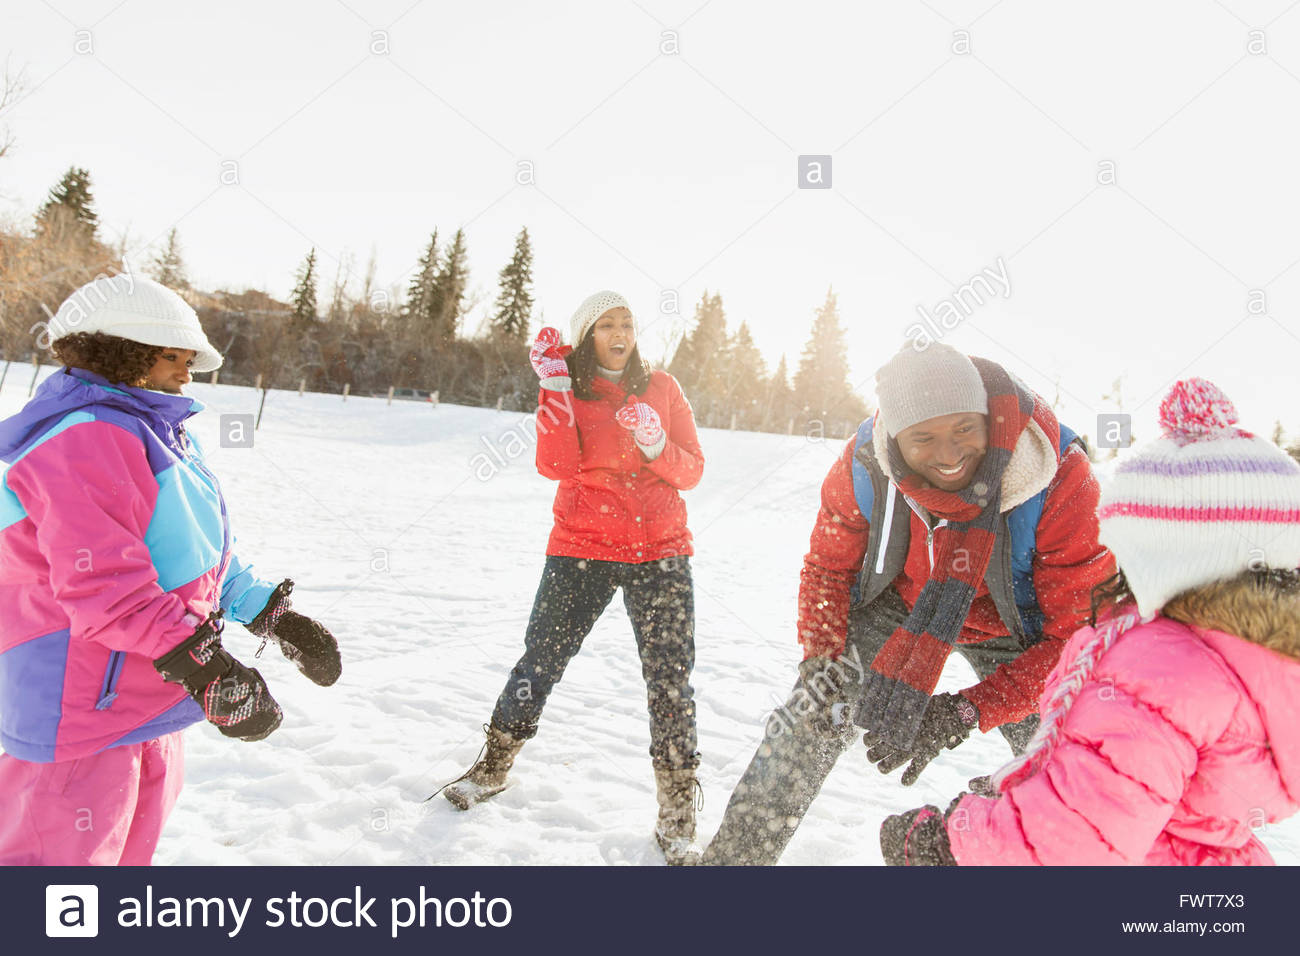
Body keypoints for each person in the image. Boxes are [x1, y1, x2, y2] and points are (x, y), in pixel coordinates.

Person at [703, 342, 1114, 865]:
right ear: (896, 440)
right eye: (924, 438)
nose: (949, 454)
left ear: (989, 418)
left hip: (1016, 630)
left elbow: (1078, 640)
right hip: (905, 606)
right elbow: (829, 568)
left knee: (1076, 757)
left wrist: (966, 710)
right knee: (812, 713)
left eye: (965, 429)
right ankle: (732, 864)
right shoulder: (865, 463)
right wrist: (820, 659)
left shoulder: (1056, 475)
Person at [881, 377, 1300, 866]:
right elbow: (1156, 802)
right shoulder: (1263, 658)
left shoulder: (1160, 669)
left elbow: (1070, 840)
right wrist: (1025, 786)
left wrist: (948, 842)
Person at [0, 274, 342, 865]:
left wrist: (269, 612)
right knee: (55, 886)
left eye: (190, 360)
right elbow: (108, 590)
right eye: (173, 358)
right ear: (120, 352)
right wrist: (209, 669)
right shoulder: (85, 439)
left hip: (147, 695)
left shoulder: (155, 428)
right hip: (83, 709)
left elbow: (195, 553)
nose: (188, 373)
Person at [442, 290, 705, 863]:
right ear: (586, 337)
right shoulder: (569, 388)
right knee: (541, 660)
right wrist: (556, 390)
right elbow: (554, 465)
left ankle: (678, 810)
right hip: (582, 547)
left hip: (660, 553)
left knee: (670, 681)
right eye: (606, 324)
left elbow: (692, 470)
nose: (619, 333)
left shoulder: (662, 388)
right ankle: (493, 766)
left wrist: (656, 443)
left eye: (627, 323)